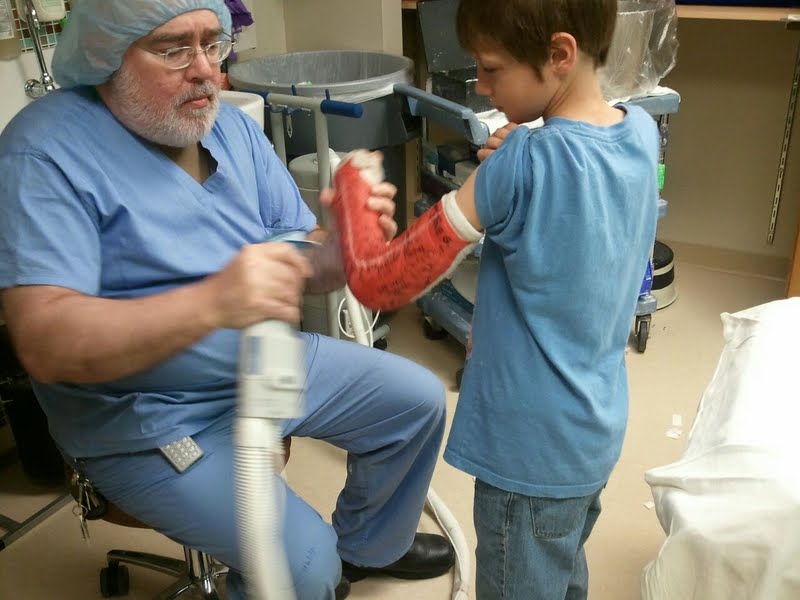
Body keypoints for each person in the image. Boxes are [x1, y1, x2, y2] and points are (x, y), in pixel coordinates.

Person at [0, 1, 455, 599]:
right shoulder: (43, 153)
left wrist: (343, 250)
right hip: (146, 413)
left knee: (417, 403)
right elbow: (46, 344)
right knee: (301, 569)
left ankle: (367, 548)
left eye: (213, 43)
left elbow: (299, 259)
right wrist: (213, 302)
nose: (205, 71)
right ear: (107, 52)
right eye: (173, 49)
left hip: (259, 362)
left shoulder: (229, 129)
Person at [329, 0, 660, 598]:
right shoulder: (638, 131)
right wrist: (524, 153)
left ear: (559, 54)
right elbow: (569, 178)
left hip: (525, 453)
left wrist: (353, 195)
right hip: (591, 430)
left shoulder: (523, 165)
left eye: (491, 68)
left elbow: (383, 282)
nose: (480, 85)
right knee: (561, 572)